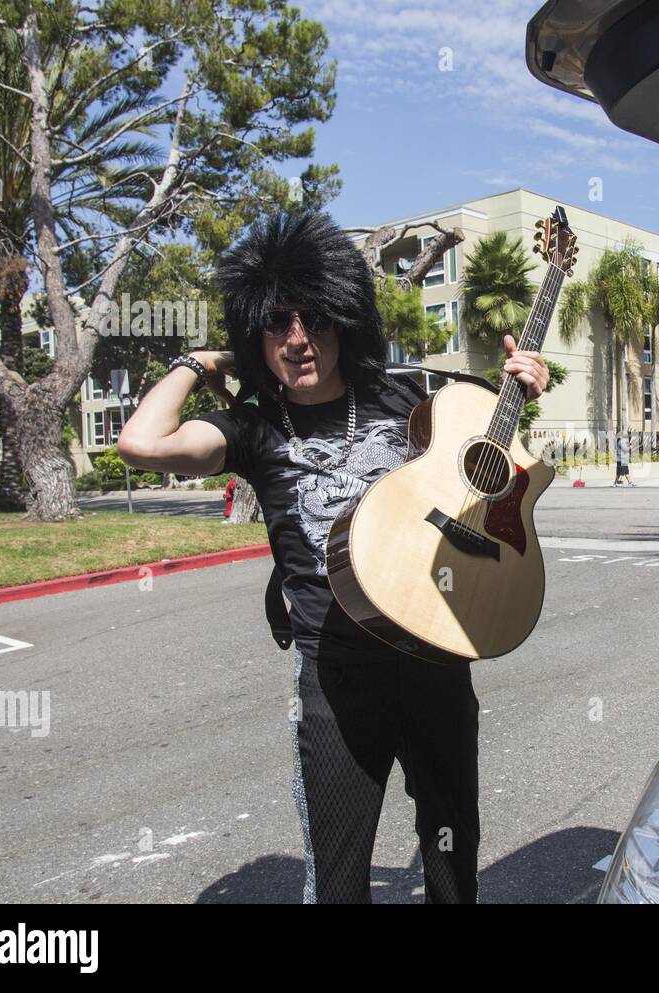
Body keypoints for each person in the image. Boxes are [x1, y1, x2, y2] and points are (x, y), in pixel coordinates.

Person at [117, 210, 548, 904]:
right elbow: (139, 442)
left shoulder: (405, 395)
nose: (297, 338)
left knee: (452, 861)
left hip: (437, 656)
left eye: (314, 318)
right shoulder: (252, 429)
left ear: (344, 318)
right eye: (275, 322)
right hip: (336, 678)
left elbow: (481, 465)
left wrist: (517, 385)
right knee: (340, 883)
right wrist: (204, 361)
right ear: (255, 333)